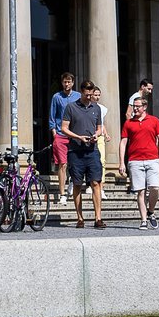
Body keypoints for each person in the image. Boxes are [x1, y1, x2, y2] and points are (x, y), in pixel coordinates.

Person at [59, 80, 106, 229]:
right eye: (86, 95)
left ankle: (98, 218)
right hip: (75, 151)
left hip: (92, 151)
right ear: (81, 92)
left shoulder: (96, 108)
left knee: (95, 183)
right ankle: (80, 218)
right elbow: (64, 128)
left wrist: (96, 135)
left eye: (91, 95)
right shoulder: (71, 107)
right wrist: (78, 137)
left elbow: (99, 128)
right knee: (77, 184)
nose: (89, 97)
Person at [120, 97, 159, 229]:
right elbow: (123, 143)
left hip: (152, 159)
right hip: (135, 160)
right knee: (140, 191)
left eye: (138, 106)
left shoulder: (154, 120)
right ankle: (143, 220)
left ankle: (151, 211)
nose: (135, 108)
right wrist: (122, 162)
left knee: (155, 188)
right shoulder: (128, 123)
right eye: (134, 106)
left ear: (144, 107)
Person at [47, 71, 79, 178]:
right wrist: (54, 133)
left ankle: (72, 184)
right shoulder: (57, 97)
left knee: (75, 162)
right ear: (62, 83)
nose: (67, 84)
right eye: (65, 82)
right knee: (62, 163)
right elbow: (52, 115)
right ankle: (62, 192)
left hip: (74, 134)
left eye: (69, 82)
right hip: (60, 134)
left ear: (73, 83)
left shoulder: (78, 96)